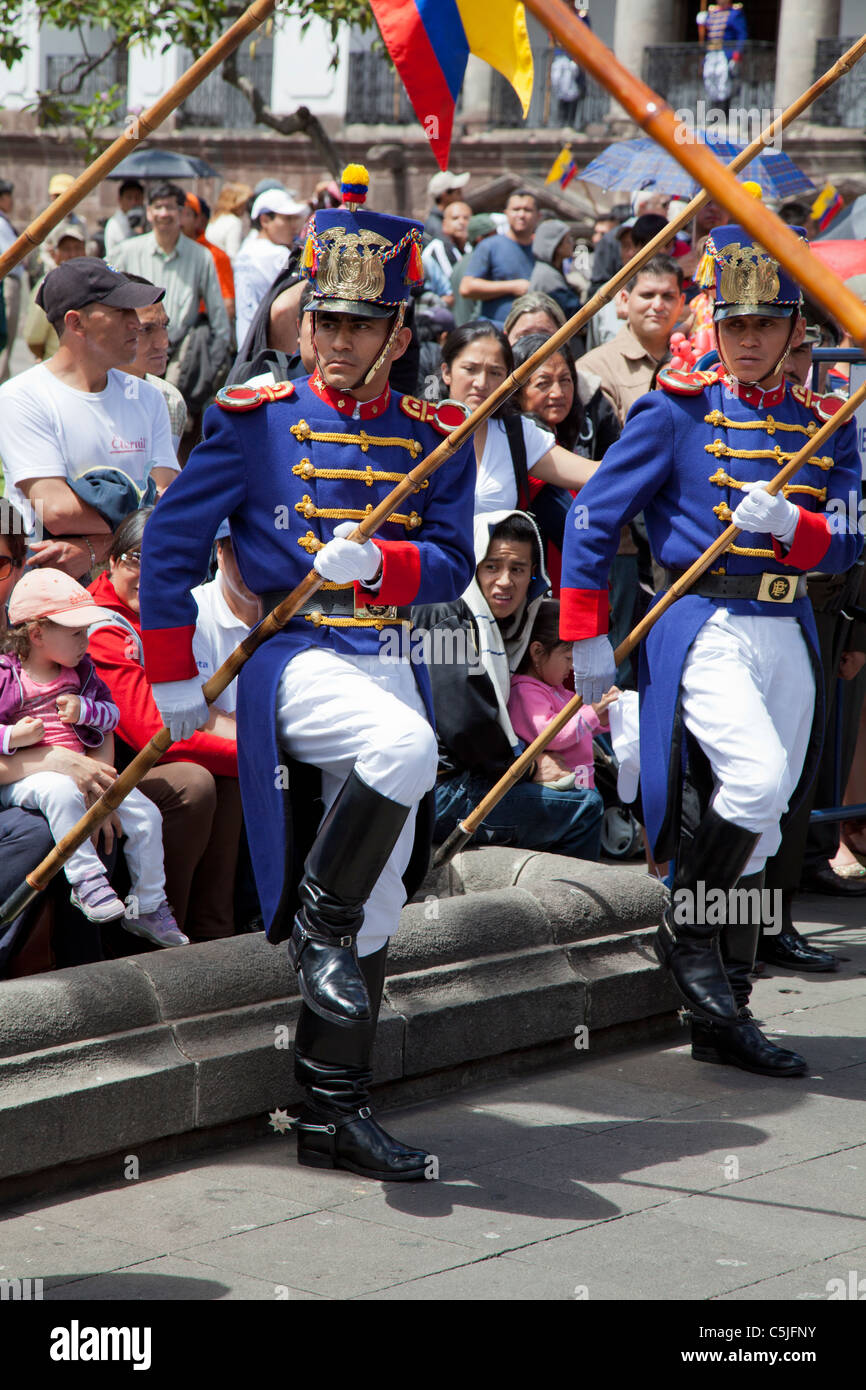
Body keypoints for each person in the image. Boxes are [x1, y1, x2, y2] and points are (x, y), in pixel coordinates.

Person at [136, 165, 477, 1181]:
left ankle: (331, 1111)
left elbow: (455, 563)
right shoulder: (254, 417)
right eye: (323, 320)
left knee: (382, 900)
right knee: (401, 748)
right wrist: (169, 679)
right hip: (290, 659)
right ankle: (314, 931)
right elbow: (168, 548)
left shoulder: (435, 438)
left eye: (356, 325)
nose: (333, 339)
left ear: (398, 335)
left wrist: (385, 562)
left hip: (392, 655)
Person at [562, 219, 863, 1077]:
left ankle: (724, 1011)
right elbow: (593, 515)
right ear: (716, 325)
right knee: (755, 779)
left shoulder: (823, 423)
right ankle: (687, 929)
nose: (751, 339)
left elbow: (846, 542)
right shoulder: (675, 411)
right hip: (707, 624)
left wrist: (796, 526)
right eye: (737, 324)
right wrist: (588, 635)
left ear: (794, 329)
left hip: (789, 625)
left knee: (766, 826)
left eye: (767, 324)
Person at [0, 568, 184, 944]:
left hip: (82, 772)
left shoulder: (82, 673)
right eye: (75, 633)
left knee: (145, 814)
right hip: (27, 780)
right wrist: (14, 735)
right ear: (36, 634)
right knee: (59, 793)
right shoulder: (7, 677)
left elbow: (110, 716)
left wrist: (84, 712)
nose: (86, 641)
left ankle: (149, 903)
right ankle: (87, 883)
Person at [87, 509, 241, 942]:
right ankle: (160, 931)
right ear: (112, 560)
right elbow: (156, 736)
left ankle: (216, 930)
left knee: (233, 779)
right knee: (195, 782)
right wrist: (253, 752)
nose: (151, 574)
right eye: (137, 558)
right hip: (102, 777)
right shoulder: (99, 625)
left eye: (166, 561)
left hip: (144, 763)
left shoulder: (178, 612)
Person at [417, 511, 604, 857]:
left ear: (533, 575)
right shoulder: (444, 612)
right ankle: (565, 912)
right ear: (473, 567)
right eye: (492, 567)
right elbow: (466, 725)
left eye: (517, 569)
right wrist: (528, 768)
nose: (505, 581)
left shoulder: (508, 627)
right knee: (584, 807)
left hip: (467, 776)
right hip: (442, 789)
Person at [0, 259, 177, 580]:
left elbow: (170, 500)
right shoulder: (20, 397)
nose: (135, 322)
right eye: (120, 311)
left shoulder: (150, 398)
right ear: (76, 323)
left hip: (137, 588)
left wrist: (97, 548)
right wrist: (143, 518)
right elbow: (58, 510)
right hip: (52, 592)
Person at [439, 321, 596, 526]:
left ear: (508, 378)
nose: (481, 383)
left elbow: (593, 472)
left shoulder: (518, 433)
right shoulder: (417, 427)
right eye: (470, 369)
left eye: (495, 372)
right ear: (446, 372)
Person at [110, 182, 231, 383]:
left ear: (182, 213)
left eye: (170, 207)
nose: (164, 213)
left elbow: (219, 316)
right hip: (134, 351)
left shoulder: (201, 256)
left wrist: (213, 363)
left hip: (181, 358)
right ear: (149, 212)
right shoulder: (125, 252)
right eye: (158, 207)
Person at [509, 598, 618, 791]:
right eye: (568, 658)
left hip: (583, 789)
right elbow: (552, 735)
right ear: (537, 651)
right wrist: (591, 713)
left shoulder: (556, 689)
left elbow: (580, 726)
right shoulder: (525, 692)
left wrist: (603, 713)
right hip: (566, 796)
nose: (573, 665)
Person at [580, 255, 686, 425]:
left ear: (681, 303)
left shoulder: (696, 357)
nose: (658, 305)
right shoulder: (594, 367)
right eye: (647, 295)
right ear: (624, 300)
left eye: (668, 296)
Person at [512, 333, 620, 461]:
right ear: (517, 393)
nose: (557, 393)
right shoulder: (514, 437)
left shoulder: (580, 422)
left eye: (565, 380)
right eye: (543, 383)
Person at [233, 188, 307, 350]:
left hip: (246, 344)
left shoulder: (245, 249)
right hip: (270, 345)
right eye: (287, 219)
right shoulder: (279, 255)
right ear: (265, 220)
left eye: (294, 219)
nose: (294, 226)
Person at [122, 278, 188, 453]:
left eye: (165, 326)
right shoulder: (77, 397)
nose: (163, 343)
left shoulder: (171, 400)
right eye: (146, 329)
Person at [459, 189, 541, 326]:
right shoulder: (490, 245)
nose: (521, 215)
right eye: (516, 209)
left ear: (538, 216)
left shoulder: (542, 250)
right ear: (506, 213)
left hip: (533, 331)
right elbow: (467, 287)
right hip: (497, 331)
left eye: (527, 210)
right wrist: (512, 287)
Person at [24, 219, 87, 363]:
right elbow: (34, 337)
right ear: (54, 254)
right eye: (66, 249)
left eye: (78, 247)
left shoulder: (96, 285)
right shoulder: (48, 285)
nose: (73, 254)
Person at [182, 192, 235, 328]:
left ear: (198, 219)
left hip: (200, 333)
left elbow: (227, 303)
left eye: (186, 213)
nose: (179, 219)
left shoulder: (215, 255)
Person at [697, 1, 748, 109]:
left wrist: (737, 52)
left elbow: (741, 34)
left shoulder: (735, 14)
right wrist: (703, 20)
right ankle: (714, 109)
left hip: (726, 53)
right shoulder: (713, 14)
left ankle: (723, 111)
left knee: (723, 79)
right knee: (709, 77)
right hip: (711, 53)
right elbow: (708, 33)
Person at [450, 213, 497, 327]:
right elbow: (478, 310)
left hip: (462, 333)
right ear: (480, 239)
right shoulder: (479, 265)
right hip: (474, 334)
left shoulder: (460, 263)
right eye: (494, 236)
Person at [529, 218, 581, 320]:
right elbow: (572, 313)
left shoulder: (551, 271)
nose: (572, 243)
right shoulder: (546, 276)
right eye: (567, 240)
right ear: (556, 246)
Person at [422, 200, 471, 307]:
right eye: (455, 218)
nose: (461, 222)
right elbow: (454, 286)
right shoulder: (438, 247)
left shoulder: (470, 248)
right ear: (444, 224)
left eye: (466, 218)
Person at [0, 177, 23, 383]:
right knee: (5, 334)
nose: (12, 201)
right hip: (7, 282)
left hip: (11, 281)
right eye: (8, 197)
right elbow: (10, 255)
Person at [424, 170, 471, 243]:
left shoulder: (435, 221)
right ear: (445, 195)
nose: (462, 197)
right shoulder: (435, 226)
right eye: (458, 192)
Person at [103, 179, 145, 258]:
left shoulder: (147, 219)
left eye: (137, 198)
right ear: (120, 199)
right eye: (129, 198)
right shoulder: (115, 224)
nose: (134, 202)